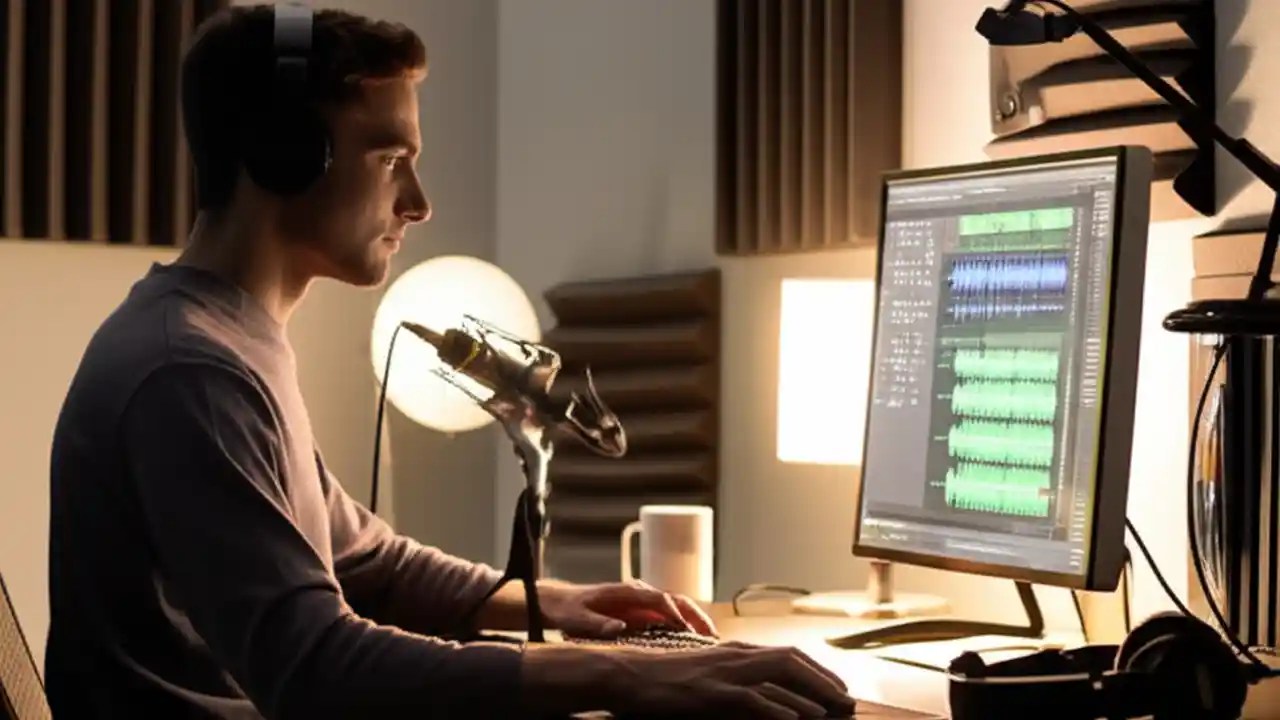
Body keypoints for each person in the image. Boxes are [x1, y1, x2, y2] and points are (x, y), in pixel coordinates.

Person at [45, 4, 856, 719]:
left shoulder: (229, 342)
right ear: (284, 154)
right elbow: (316, 670)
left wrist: (560, 604)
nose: (420, 203)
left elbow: (370, 562)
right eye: (390, 158)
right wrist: (614, 676)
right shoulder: (190, 372)